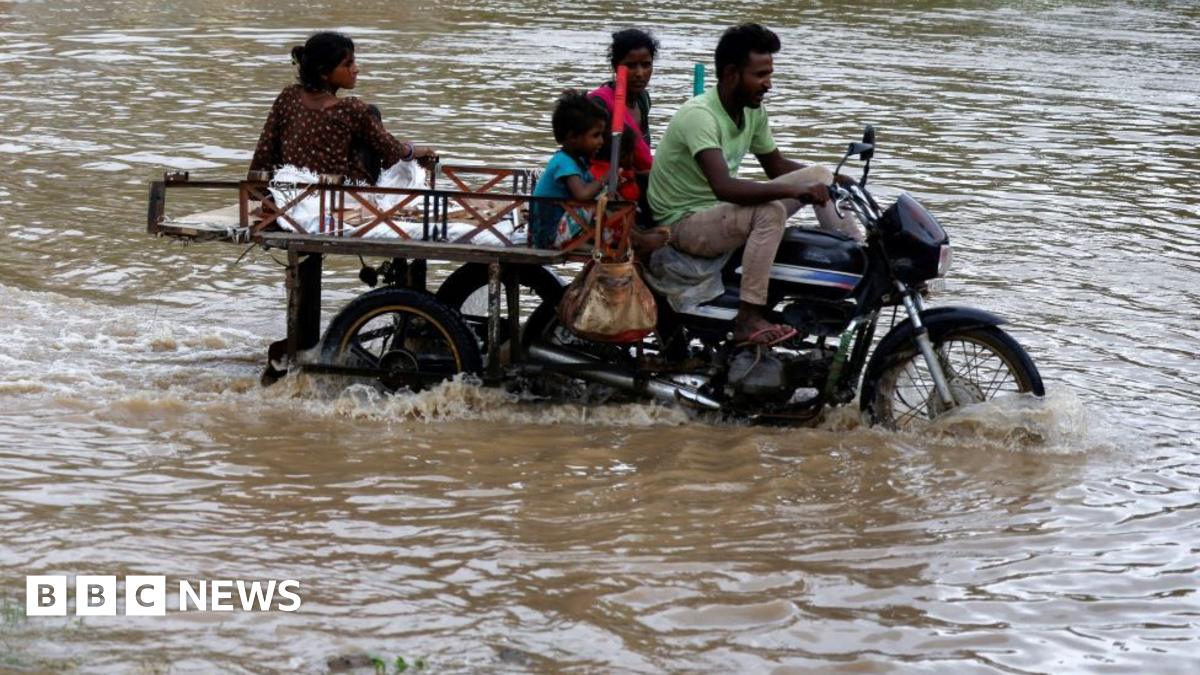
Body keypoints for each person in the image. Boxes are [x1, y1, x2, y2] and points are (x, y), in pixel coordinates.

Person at [647, 23, 862, 347]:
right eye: (760, 75)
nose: (768, 84)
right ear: (731, 74)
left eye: (769, 74)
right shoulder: (700, 116)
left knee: (819, 173)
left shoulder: (752, 112)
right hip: (683, 224)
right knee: (770, 212)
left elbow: (775, 166)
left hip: (718, 213)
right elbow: (724, 187)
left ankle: (861, 263)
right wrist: (793, 191)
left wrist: (837, 181)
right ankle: (748, 317)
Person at [248, 31, 436, 183]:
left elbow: (265, 150)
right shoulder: (350, 108)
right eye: (348, 64)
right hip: (338, 195)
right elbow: (390, 149)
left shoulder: (289, 96)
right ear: (323, 72)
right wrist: (414, 150)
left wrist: (258, 192)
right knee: (372, 112)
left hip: (294, 189)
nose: (356, 69)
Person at [530, 92, 608, 249]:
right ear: (573, 137)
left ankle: (632, 236)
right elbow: (582, 194)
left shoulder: (578, 161)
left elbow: (592, 186)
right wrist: (605, 179)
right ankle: (628, 240)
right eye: (596, 135)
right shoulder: (563, 162)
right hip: (550, 235)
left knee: (607, 196)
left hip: (563, 224)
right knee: (603, 201)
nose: (601, 141)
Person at [588, 28, 659, 174]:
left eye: (646, 65)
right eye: (631, 66)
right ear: (615, 66)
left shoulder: (643, 100)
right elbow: (585, 159)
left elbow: (641, 154)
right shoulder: (599, 104)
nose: (640, 73)